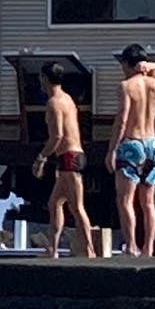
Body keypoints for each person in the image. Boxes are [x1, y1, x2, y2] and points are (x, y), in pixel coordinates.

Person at [30, 61, 94, 259]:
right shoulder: (67, 99)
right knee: (55, 203)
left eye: (41, 77)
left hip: (70, 157)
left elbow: (57, 136)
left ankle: (90, 249)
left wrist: (41, 158)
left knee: (76, 206)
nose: (40, 81)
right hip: (71, 156)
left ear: (46, 79)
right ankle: (53, 248)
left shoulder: (55, 103)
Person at [107, 44, 155, 257]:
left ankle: (131, 245)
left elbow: (122, 120)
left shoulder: (125, 86)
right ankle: (149, 248)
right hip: (152, 144)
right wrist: (147, 65)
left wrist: (112, 149)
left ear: (126, 63)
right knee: (148, 202)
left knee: (125, 200)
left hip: (132, 143)